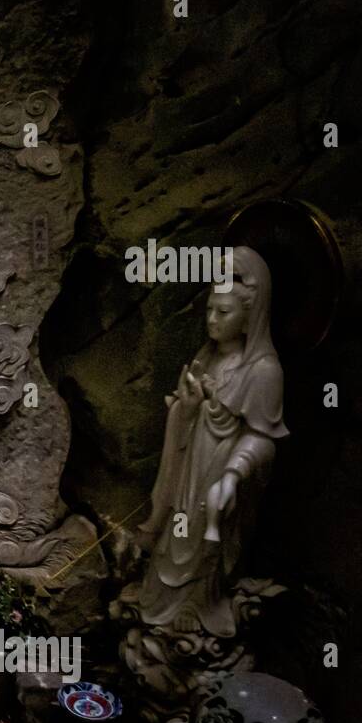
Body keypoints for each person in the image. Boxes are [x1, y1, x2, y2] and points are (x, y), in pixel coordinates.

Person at [135, 246, 287, 637]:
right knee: (175, 537)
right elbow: (184, 413)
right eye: (209, 311)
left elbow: (263, 438)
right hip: (188, 471)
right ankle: (165, 602)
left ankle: (198, 604)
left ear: (250, 313)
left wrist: (234, 475)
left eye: (224, 312)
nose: (213, 321)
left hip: (222, 474)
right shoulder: (206, 357)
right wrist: (186, 409)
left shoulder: (264, 370)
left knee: (207, 536)